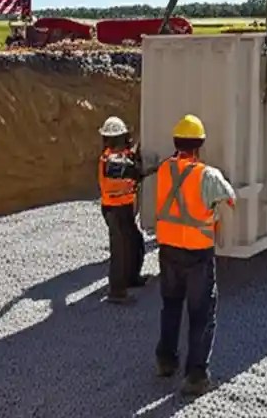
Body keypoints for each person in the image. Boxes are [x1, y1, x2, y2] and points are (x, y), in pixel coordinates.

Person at [152, 114, 235, 396]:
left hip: (168, 251)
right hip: (197, 255)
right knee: (201, 314)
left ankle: (165, 360)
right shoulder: (207, 175)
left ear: (176, 143)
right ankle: (196, 376)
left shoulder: (164, 169)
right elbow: (230, 199)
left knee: (171, 306)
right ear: (199, 145)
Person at [97, 116, 147, 304]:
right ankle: (117, 291)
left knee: (134, 242)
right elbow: (129, 170)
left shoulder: (120, 155)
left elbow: (130, 161)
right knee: (120, 251)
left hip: (123, 209)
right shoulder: (110, 160)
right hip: (114, 211)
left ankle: (132, 278)